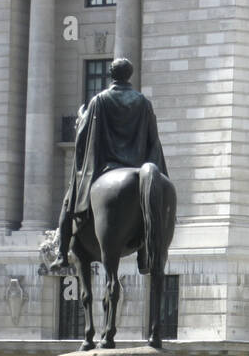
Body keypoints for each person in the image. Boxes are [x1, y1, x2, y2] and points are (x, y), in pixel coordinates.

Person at [52, 58, 167, 271]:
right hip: (138, 167)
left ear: (111, 75)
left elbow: (84, 136)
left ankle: (61, 253)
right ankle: (144, 253)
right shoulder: (143, 102)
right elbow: (154, 141)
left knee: (69, 202)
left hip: (105, 167)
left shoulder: (99, 100)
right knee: (148, 202)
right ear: (129, 75)